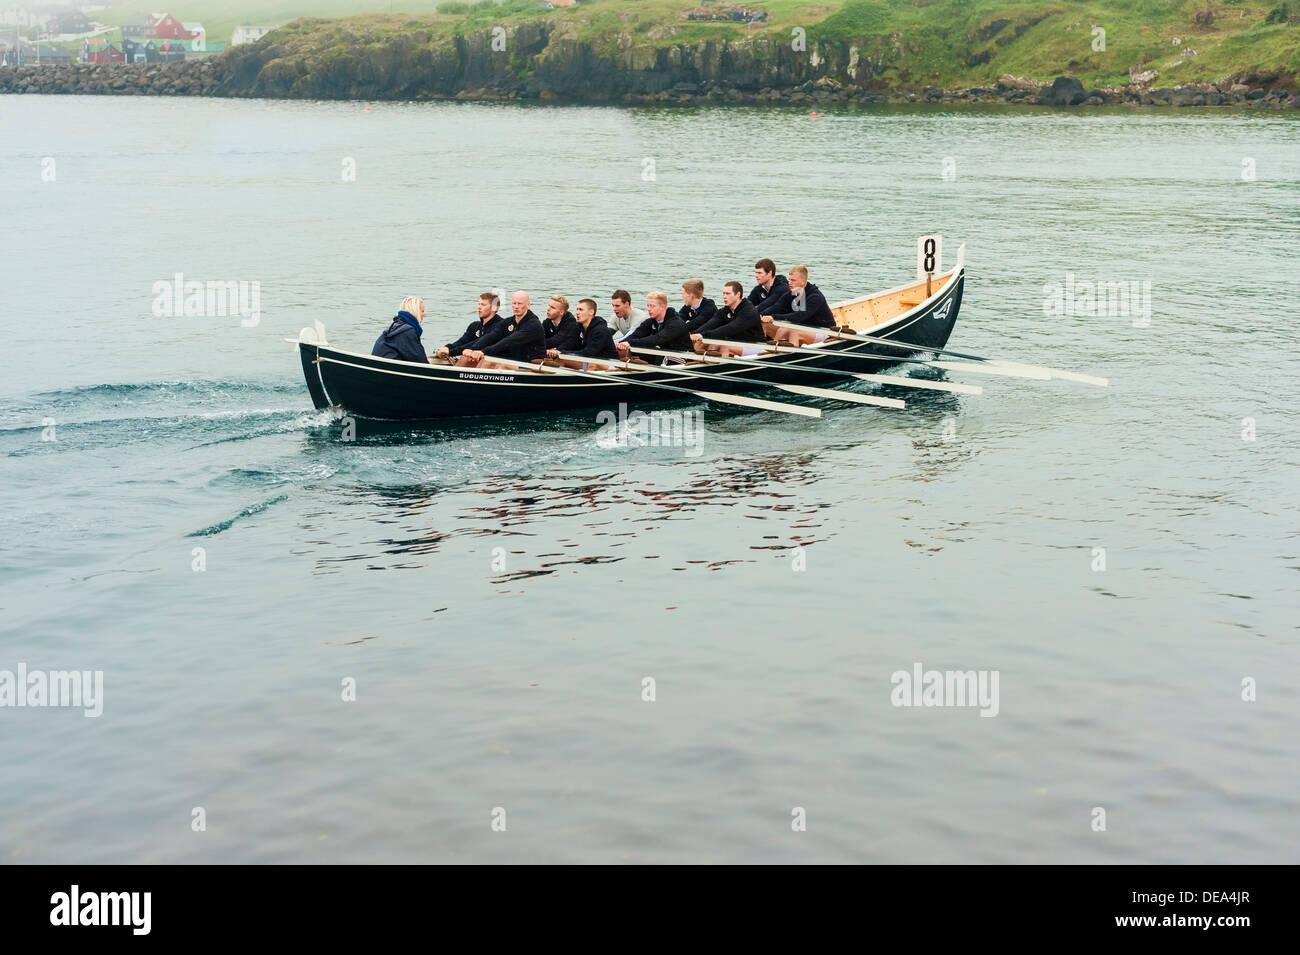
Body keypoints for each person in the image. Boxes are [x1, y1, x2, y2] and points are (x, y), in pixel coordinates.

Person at [459, 290, 545, 367]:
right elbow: (491, 336)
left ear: (528, 305)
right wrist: (472, 349)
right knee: (466, 358)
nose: (516, 306)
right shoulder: (508, 322)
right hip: (514, 360)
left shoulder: (533, 325)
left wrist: (483, 352)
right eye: (514, 303)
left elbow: (509, 341)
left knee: (487, 362)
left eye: (520, 303)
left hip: (530, 364)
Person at [761, 265, 837, 346]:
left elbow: (800, 316)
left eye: (793, 280)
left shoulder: (815, 297)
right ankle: (766, 350)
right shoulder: (791, 294)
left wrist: (773, 317)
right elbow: (776, 307)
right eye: (789, 279)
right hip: (803, 327)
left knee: (793, 331)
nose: (789, 283)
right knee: (764, 324)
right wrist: (760, 315)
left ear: (803, 282)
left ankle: (787, 355)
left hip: (824, 331)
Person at [690, 281, 763, 356]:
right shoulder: (725, 310)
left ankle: (720, 367)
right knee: (710, 344)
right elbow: (710, 324)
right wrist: (694, 334)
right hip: (737, 342)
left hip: (756, 346)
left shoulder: (749, 311)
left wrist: (703, 335)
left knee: (725, 347)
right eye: (723, 293)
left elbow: (731, 328)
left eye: (728, 294)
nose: (724, 296)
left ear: (738, 294)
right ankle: (695, 362)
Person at [615, 291, 691, 360]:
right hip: (666, 353)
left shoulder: (676, 324)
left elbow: (656, 339)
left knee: (658, 356)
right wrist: (620, 343)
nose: (649, 309)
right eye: (648, 306)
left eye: (652, 306)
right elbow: (636, 335)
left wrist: (630, 343)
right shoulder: (650, 322)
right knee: (629, 351)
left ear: (662, 307)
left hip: (685, 356)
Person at [547, 298, 618, 368]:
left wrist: (562, 353)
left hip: (610, 363)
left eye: (581, 310)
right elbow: (569, 343)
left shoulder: (601, 330)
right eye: (577, 309)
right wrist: (556, 351)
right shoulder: (578, 326)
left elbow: (588, 352)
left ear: (591, 312)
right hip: (591, 360)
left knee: (562, 359)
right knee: (554, 358)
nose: (577, 312)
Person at [436, 292, 506, 361]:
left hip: (496, 363)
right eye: (479, 304)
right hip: (478, 362)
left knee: (466, 357)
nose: (479, 307)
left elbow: (478, 343)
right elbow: (462, 341)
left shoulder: (500, 326)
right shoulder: (474, 326)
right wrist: (447, 348)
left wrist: (451, 352)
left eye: (483, 305)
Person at [371, 296, 430, 364]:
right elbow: (421, 361)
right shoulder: (408, 331)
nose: (424, 314)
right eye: (422, 311)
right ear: (416, 311)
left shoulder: (395, 326)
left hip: (379, 364)